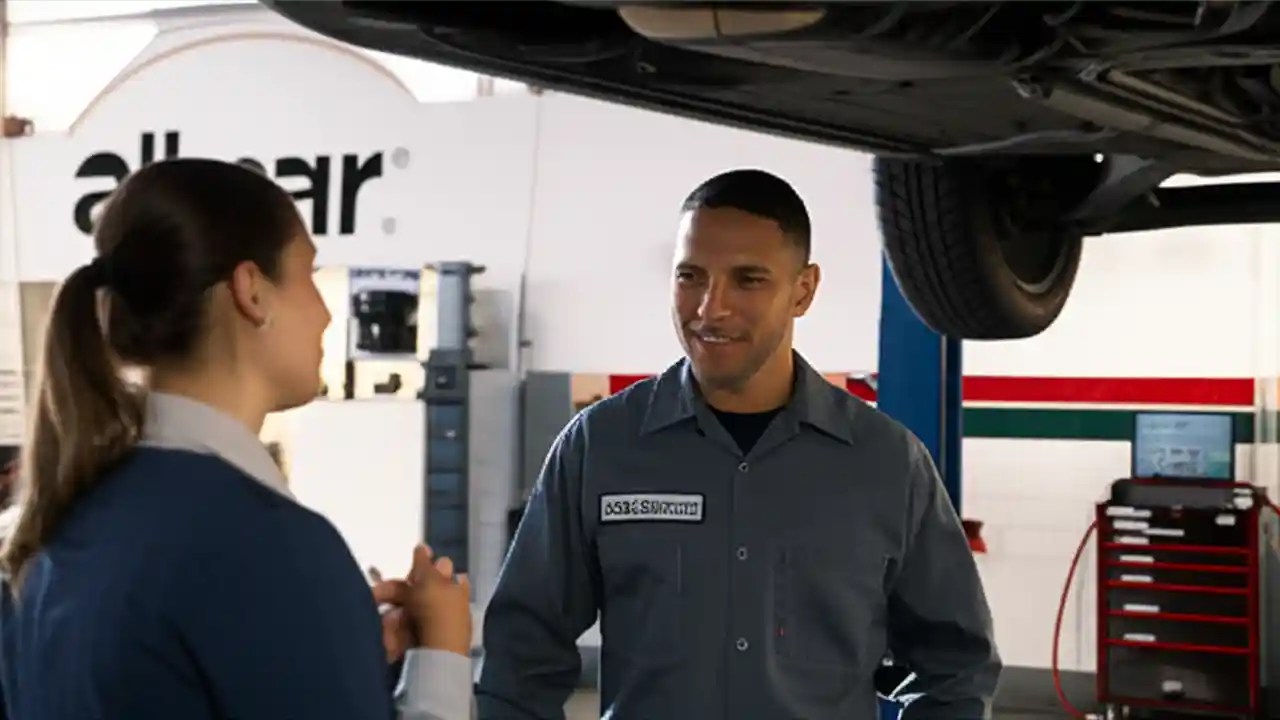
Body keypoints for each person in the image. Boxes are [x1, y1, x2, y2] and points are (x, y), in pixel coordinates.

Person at [476, 169, 1001, 719]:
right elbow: (522, 652)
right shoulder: (601, 448)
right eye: (690, 276)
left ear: (804, 290)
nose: (710, 308)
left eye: (748, 280)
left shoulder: (887, 464)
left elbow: (956, 666)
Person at [0, 158, 473, 720]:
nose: (325, 315)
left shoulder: (55, 530)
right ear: (252, 291)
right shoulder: (271, 545)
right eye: (308, 275)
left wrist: (335, 657)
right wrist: (442, 653)